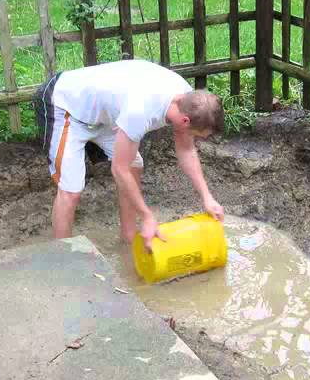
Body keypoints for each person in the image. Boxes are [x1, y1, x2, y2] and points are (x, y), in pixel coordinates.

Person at [33, 58, 225, 251]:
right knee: (71, 190)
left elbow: (186, 150)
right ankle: (61, 255)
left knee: (134, 166)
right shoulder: (141, 111)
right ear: (185, 121)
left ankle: (129, 236)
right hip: (66, 106)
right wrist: (147, 216)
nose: (193, 138)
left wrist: (207, 197)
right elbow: (118, 169)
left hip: (104, 116)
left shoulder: (188, 99)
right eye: (196, 134)